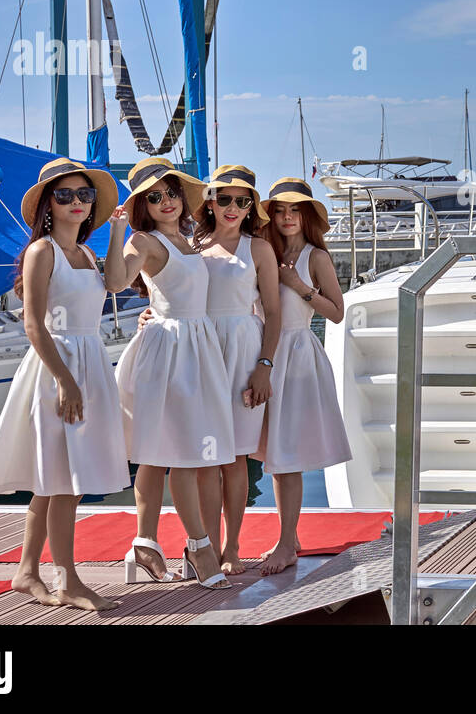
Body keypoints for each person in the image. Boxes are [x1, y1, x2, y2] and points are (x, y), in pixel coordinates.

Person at [0, 159, 127, 611]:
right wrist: (65, 381)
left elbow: (119, 284)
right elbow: (34, 325)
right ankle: (69, 581)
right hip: (57, 368)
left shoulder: (84, 253)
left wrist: (117, 234)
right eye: (65, 195)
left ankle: (26, 573)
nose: (77, 202)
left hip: (88, 361)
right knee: (64, 482)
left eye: (84, 195)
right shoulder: (43, 251)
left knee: (54, 482)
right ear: (49, 203)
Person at [106, 157, 236, 588]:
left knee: (160, 451)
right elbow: (117, 282)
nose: (166, 201)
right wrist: (117, 231)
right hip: (169, 349)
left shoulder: (187, 239)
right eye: (155, 196)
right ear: (143, 203)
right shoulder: (142, 240)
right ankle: (199, 547)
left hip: (195, 346)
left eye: (172, 192)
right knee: (176, 452)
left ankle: (145, 542)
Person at [256, 177, 352, 575]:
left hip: (297, 356)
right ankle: (289, 535)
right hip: (264, 353)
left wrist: (299, 286)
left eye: (295, 210)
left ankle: (286, 542)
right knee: (277, 454)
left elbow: (337, 312)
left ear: (307, 214)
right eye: (279, 210)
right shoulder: (262, 251)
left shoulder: (316, 257)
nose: (286, 217)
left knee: (288, 455)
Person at [192, 165, 282, 574]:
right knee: (207, 456)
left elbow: (274, 314)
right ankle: (205, 547)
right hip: (200, 348)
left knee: (237, 457)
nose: (233, 207)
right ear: (210, 201)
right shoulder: (191, 245)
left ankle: (232, 547)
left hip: (245, 348)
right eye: (224, 198)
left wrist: (264, 366)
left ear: (251, 207)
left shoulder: (258, 248)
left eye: (242, 201)